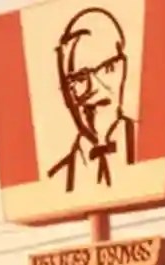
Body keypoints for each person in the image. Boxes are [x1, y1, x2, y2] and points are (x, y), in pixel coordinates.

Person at [47, 8, 135, 193]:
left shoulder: (158, 160)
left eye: (108, 67)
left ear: (124, 68)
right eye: (80, 78)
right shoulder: (56, 182)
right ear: (65, 91)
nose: (96, 88)